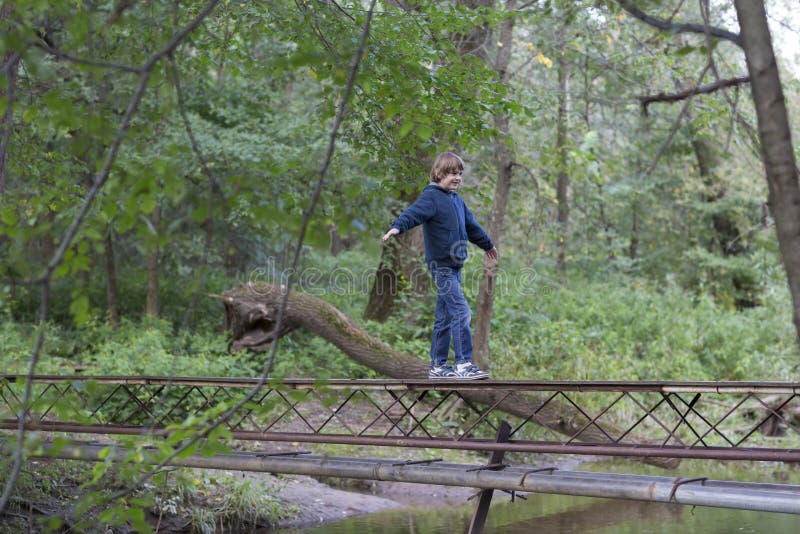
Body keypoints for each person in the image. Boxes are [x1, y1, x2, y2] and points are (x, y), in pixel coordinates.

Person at [382, 152, 498, 380]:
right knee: (461, 311)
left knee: (444, 317)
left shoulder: (457, 201)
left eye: (460, 174)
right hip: (441, 267)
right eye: (453, 173)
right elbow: (412, 214)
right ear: (438, 173)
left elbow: (471, 226)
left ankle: (437, 365)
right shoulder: (431, 198)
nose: (458, 178)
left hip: (455, 268)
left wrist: (487, 244)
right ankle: (464, 364)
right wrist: (397, 227)